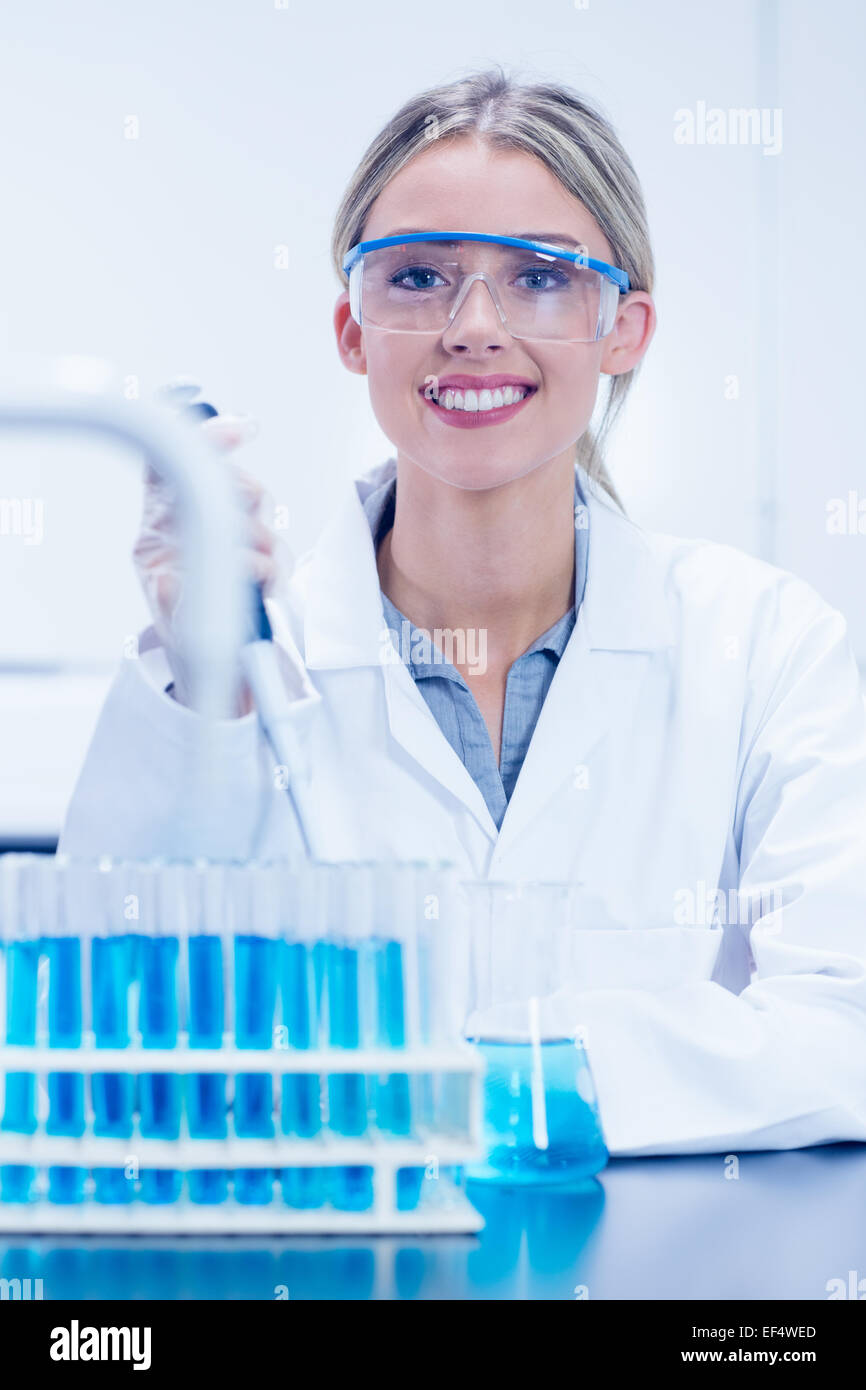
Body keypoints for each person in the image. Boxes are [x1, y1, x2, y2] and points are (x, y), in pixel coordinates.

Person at [60, 68, 866, 1156]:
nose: (472, 327)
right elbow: (105, 1027)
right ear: (353, 329)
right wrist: (202, 673)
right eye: (420, 276)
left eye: (539, 277)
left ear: (621, 328)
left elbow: (844, 1032)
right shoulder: (254, 658)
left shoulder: (763, 647)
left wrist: (495, 1076)